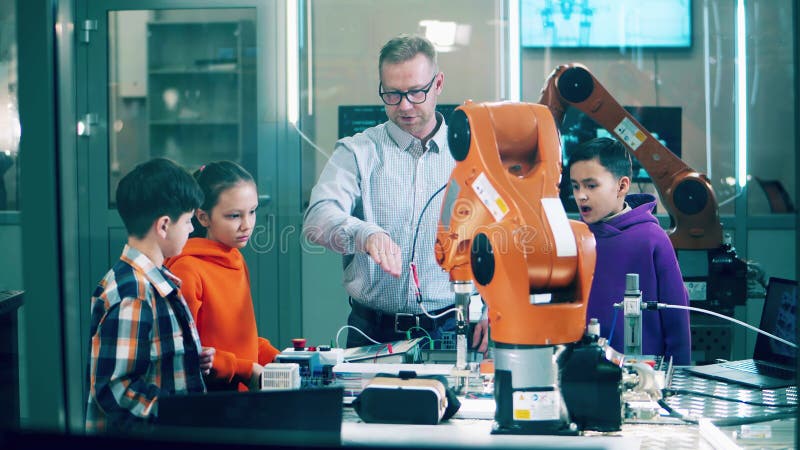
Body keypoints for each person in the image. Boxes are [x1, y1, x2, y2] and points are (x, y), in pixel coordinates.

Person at [303, 33, 489, 351]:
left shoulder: (474, 154)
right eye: (392, 94)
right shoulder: (358, 151)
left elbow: (501, 236)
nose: (404, 106)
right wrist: (364, 234)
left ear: (438, 84)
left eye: (416, 92)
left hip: (454, 326)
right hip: (373, 330)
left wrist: (491, 306)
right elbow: (317, 219)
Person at [86, 158, 214, 433]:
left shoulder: (156, 281)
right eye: (189, 220)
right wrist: (182, 413)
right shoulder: (132, 293)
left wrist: (190, 358)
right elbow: (114, 388)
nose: (192, 229)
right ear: (164, 225)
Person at [568, 137, 691, 364]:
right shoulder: (574, 237)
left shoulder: (652, 239)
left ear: (622, 186)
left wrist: (679, 378)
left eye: (591, 185)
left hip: (642, 379)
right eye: (575, 186)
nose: (580, 195)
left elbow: (677, 321)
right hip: (581, 370)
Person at [165, 161, 280, 392]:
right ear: (203, 217)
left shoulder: (234, 258)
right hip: (214, 403)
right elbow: (188, 353)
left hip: (246, 394)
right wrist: (244, 369)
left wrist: (284, 360)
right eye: (234, 216)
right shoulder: (187, 269)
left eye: (253, 211)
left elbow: (241, 341)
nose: (247, 225)